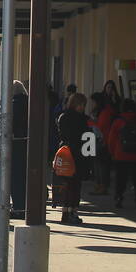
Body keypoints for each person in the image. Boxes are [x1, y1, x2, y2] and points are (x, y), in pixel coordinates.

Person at [108, 98, 136, 209]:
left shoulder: (119, 121)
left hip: (121, 154)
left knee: (121, 178)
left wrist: (113, 152)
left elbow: (111, 139)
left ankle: (119, 197)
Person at [56, 92, 90, 225]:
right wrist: (90, 158)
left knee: (67, 184)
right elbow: (87, 138)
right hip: (79, 155)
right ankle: (73, 212)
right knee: (75, 185)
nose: (83, 107)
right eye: (82, 105)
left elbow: (62, 135)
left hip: (66, 153)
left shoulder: (63, 117)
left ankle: (66, 212)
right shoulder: (82, 119)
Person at [9, 80, 29, 218]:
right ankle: (24, 206)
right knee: (24, 176)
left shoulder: (13, 105)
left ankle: (18, 207)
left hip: (16, 143)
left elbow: (10, 123)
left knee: (15, 177)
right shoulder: (30, 103)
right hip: (27, 144)